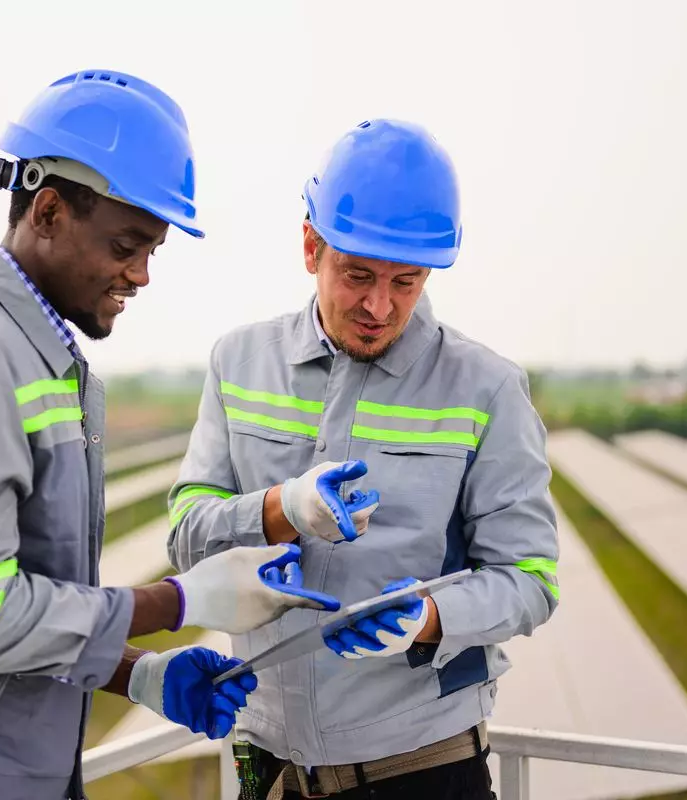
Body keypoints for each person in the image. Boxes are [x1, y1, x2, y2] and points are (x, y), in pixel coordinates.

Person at [0, 69, 341, 800]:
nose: (141, 275)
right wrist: (179, 602)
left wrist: (135, 672)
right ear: (48, 212)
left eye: (153, 250)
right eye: (127, 245)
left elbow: (27, 605)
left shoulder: (41, 359)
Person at [167, 119, 560, 799]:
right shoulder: (239, 364)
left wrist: (428, 620)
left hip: (423, 773)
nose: (381, 307)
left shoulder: (486, 388)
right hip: (268, 771)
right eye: (358, 276)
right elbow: (185, 537)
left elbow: (530, 579)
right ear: (310, 245)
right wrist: (279, 510)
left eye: (406, 282)